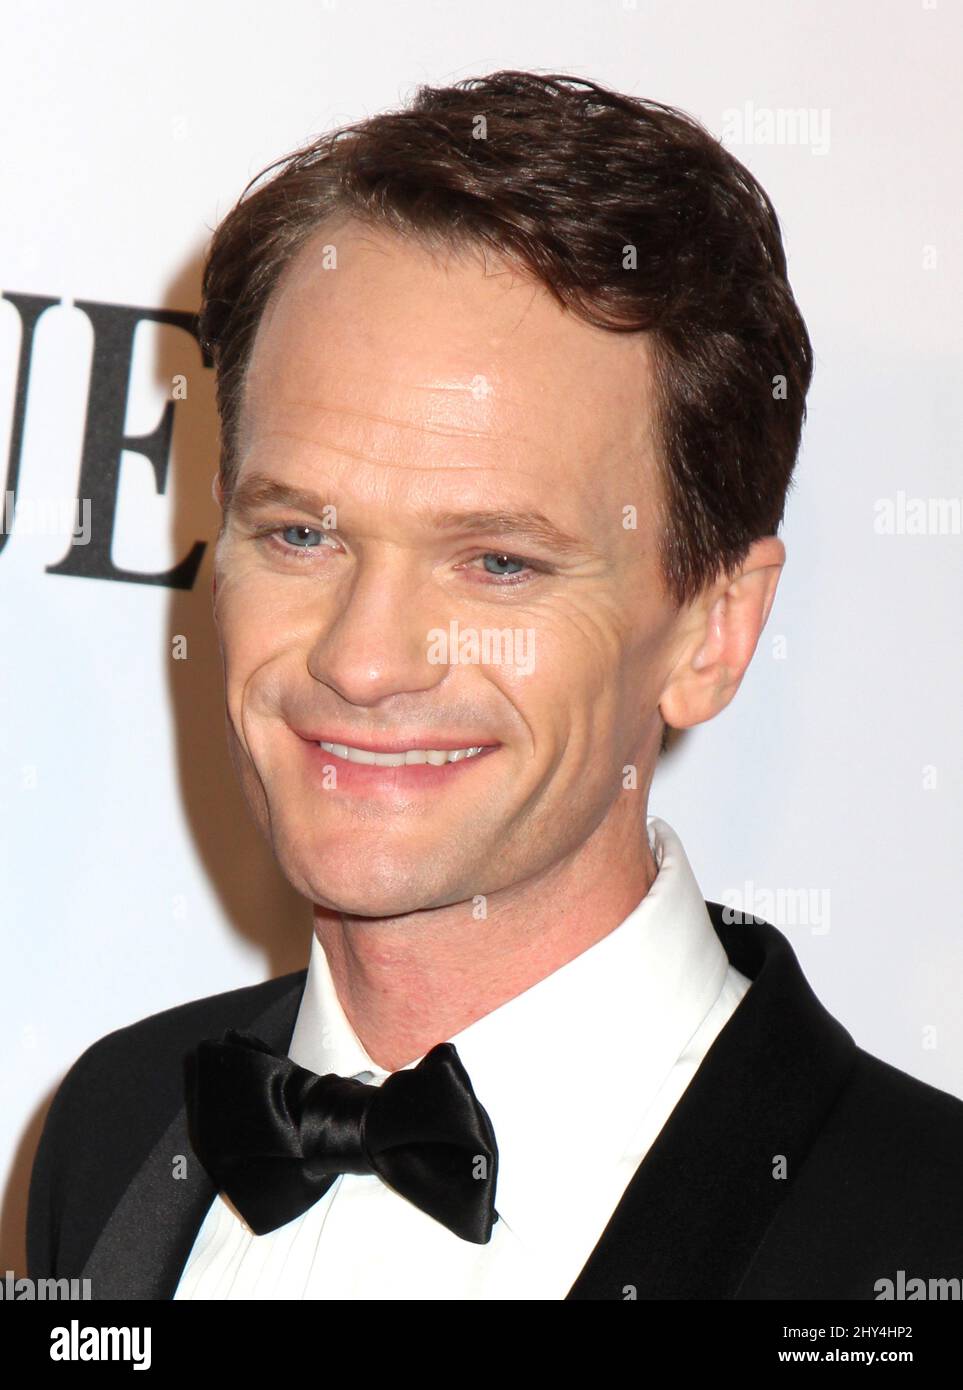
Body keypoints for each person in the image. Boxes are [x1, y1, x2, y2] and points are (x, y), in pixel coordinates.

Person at [26, 70, 963, 1301]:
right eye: (301, 534)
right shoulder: (118, 1129)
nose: (361, 661)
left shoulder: (924, 1235)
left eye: (499, 563)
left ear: (714, 630)